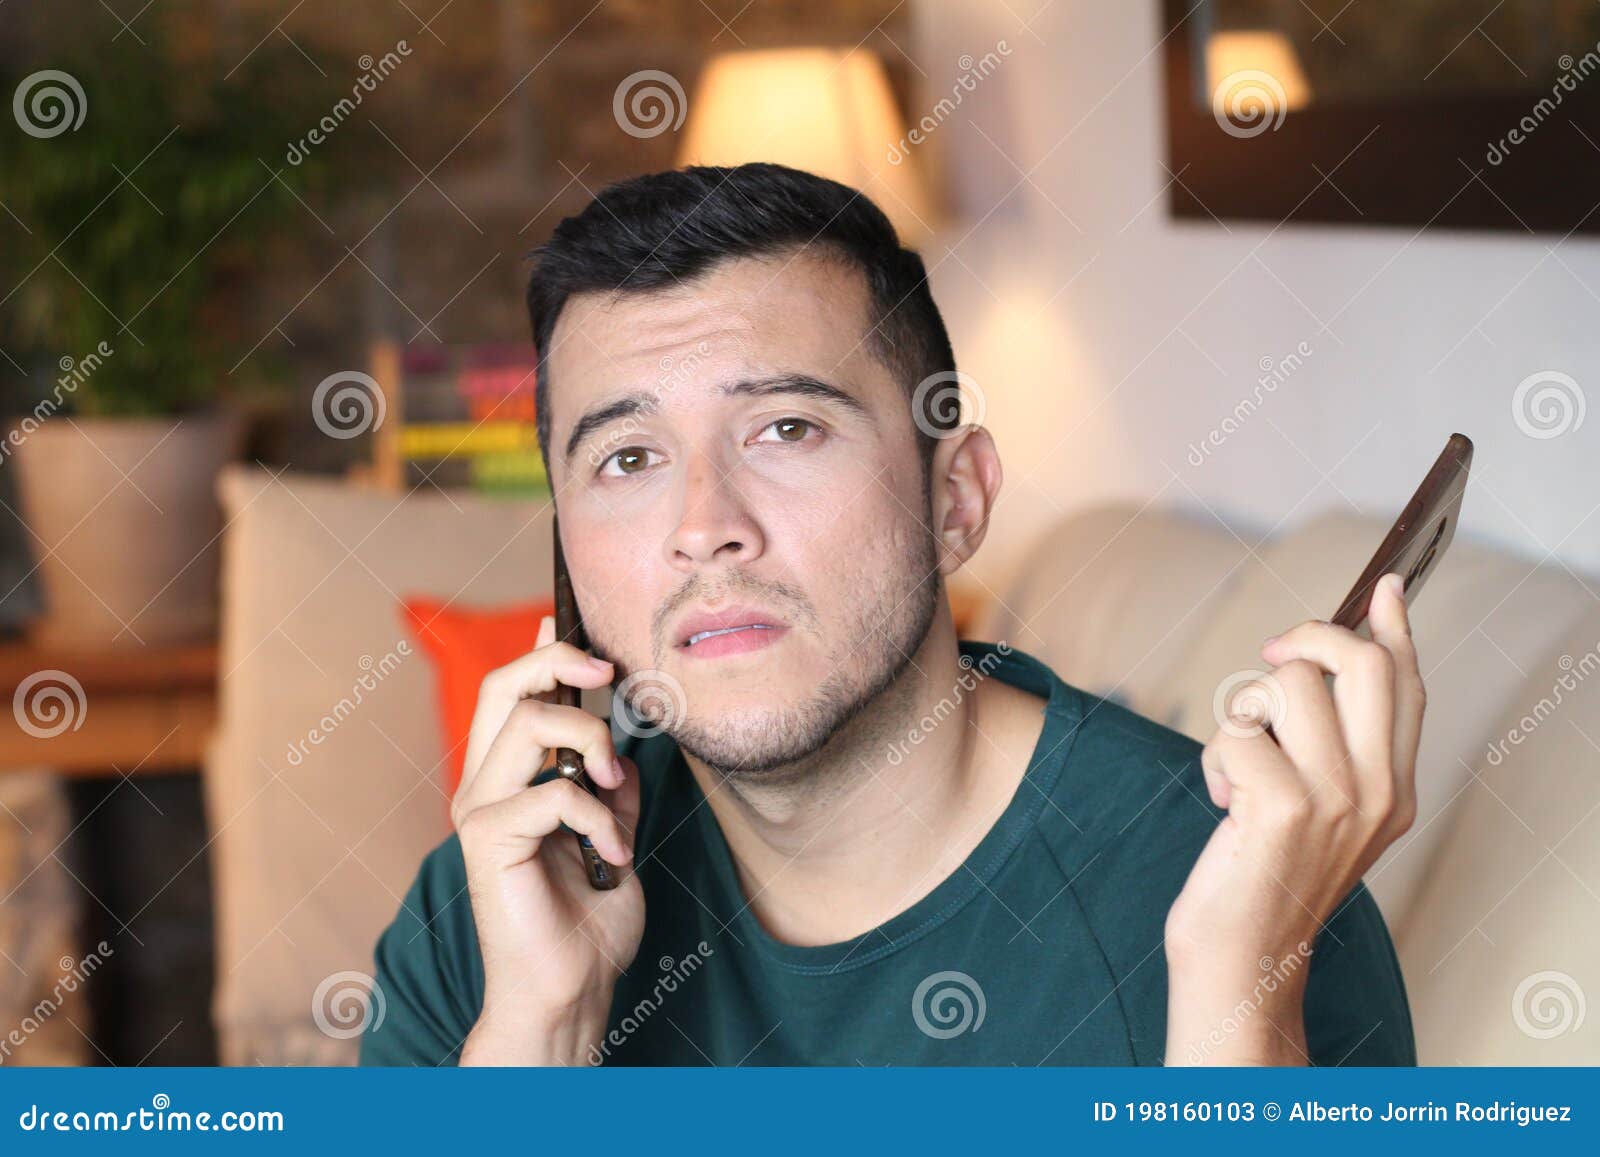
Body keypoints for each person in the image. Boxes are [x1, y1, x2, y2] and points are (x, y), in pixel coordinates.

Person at [360, 163, 1419, 1067]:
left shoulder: (1253, 892)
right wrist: (542, 1022)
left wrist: (1238, 998)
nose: (704, 528)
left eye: (785, 429)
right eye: (628, 459)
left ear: (954, 499)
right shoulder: (503, 900)